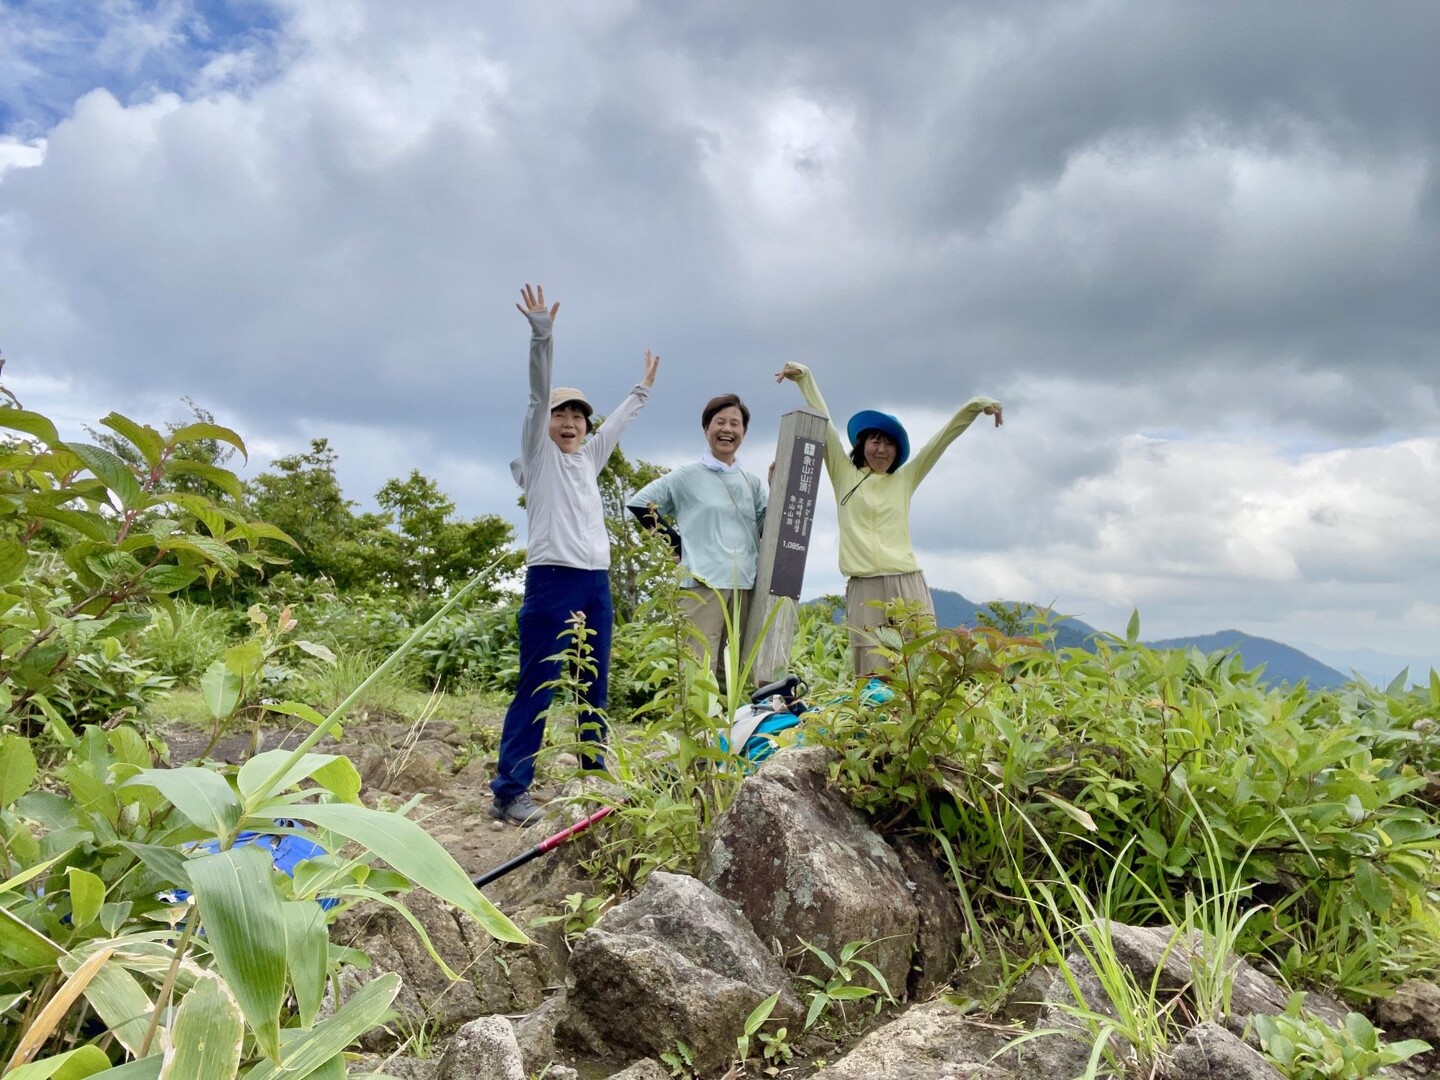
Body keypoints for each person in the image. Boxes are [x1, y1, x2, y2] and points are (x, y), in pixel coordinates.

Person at [492, 283, 660, 826]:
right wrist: (543, 335)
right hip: (551, 581)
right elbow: (537, 395)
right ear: (547, 425)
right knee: (538, 685)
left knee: (594, 683)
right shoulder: (538, 455)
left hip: (595, 584)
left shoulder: (588, 459)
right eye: (562, 415)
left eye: (578, 417)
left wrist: (640, 391)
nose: (569, 422)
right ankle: (511, 789)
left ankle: (595, 777)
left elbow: (618, 424)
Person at [774, 362, 1001, 680]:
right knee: (872, 672)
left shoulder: (906, 478)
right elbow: (824, 424)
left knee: (919, 667)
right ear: (862, 444)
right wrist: (805, 378)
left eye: (889, 443)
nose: (881, 449)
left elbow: (941, 440)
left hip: (906, 581)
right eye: (874, 441)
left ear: (898, 450)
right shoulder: (844, 474)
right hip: (865, 587)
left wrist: (975, 406)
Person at [626, 394, 767, 680]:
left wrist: (778, 484)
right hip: (702, 585)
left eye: (735, 424)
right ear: (706, 429)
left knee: (734, 671)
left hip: (745, 586)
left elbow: (768, 528)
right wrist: (677, 546)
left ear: (743, 433)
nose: (727, 429)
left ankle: (730, 727)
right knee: (697, 670)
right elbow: (640, 504)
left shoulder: (751, 482)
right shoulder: (686, 476)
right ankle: (696, 727)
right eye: (720, 422)